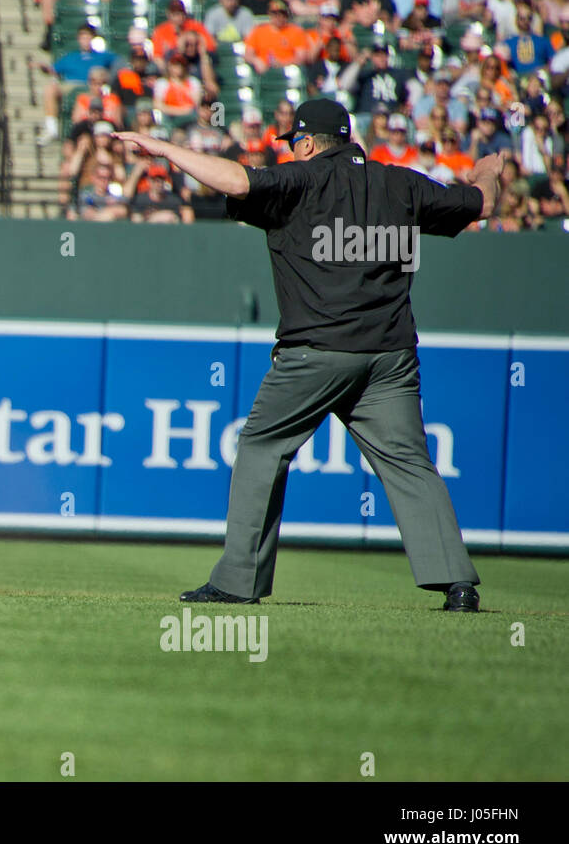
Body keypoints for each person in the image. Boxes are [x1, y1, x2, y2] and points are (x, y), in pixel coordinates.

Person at [115, 97, 503, 611]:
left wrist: (163, 148)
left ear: (305, 143)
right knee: (410, 464)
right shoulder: (402, 184)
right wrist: (488, 171)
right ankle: (458, 584)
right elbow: (482, 202)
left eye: (293, 145)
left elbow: (235, 181)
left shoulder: (302, 181)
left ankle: (238, 580)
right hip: (389, 358)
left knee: (259, 446)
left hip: (316, 352)